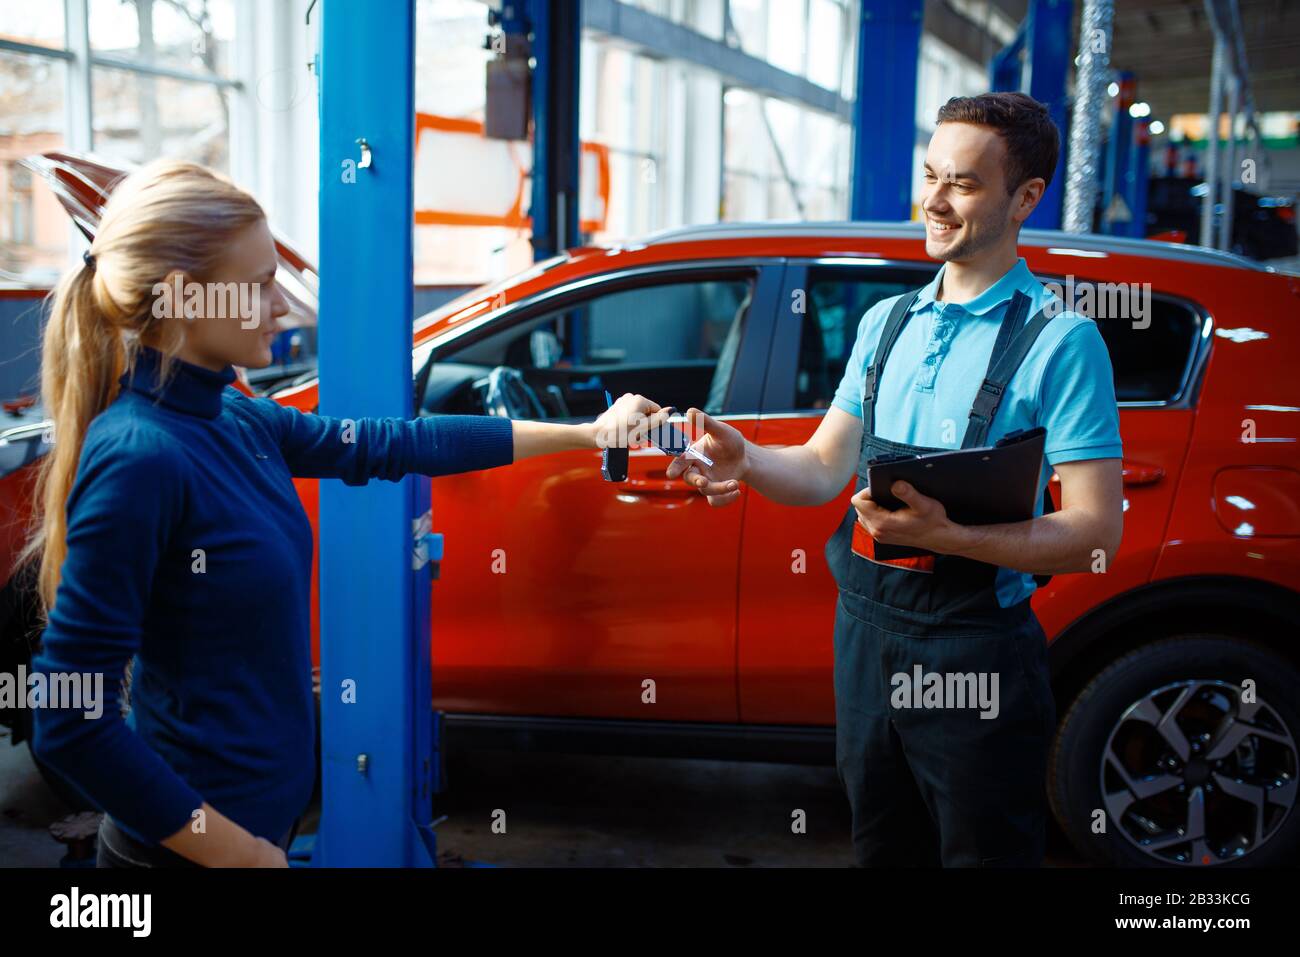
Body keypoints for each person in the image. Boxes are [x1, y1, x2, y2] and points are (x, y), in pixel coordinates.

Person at [24, 159, 667, 868]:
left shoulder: (236, 417)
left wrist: (588, 432)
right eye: (262, 284)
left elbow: (395, 443)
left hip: (260, 831)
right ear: (183, 297)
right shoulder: (141, 457)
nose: (283, 307)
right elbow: (68, 716)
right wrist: (237, 852)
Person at [667, 92, 1124, 867]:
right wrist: (747, 460)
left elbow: (1094, 535)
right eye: (930, 175)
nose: (935, 203)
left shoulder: (1063, 343)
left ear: (1026, 198)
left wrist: (950, 536)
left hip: (975, 659)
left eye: (965, 184)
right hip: (866, 644)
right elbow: (819, 469)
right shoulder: (888, 324)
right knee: (882, 849)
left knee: (985, 853)